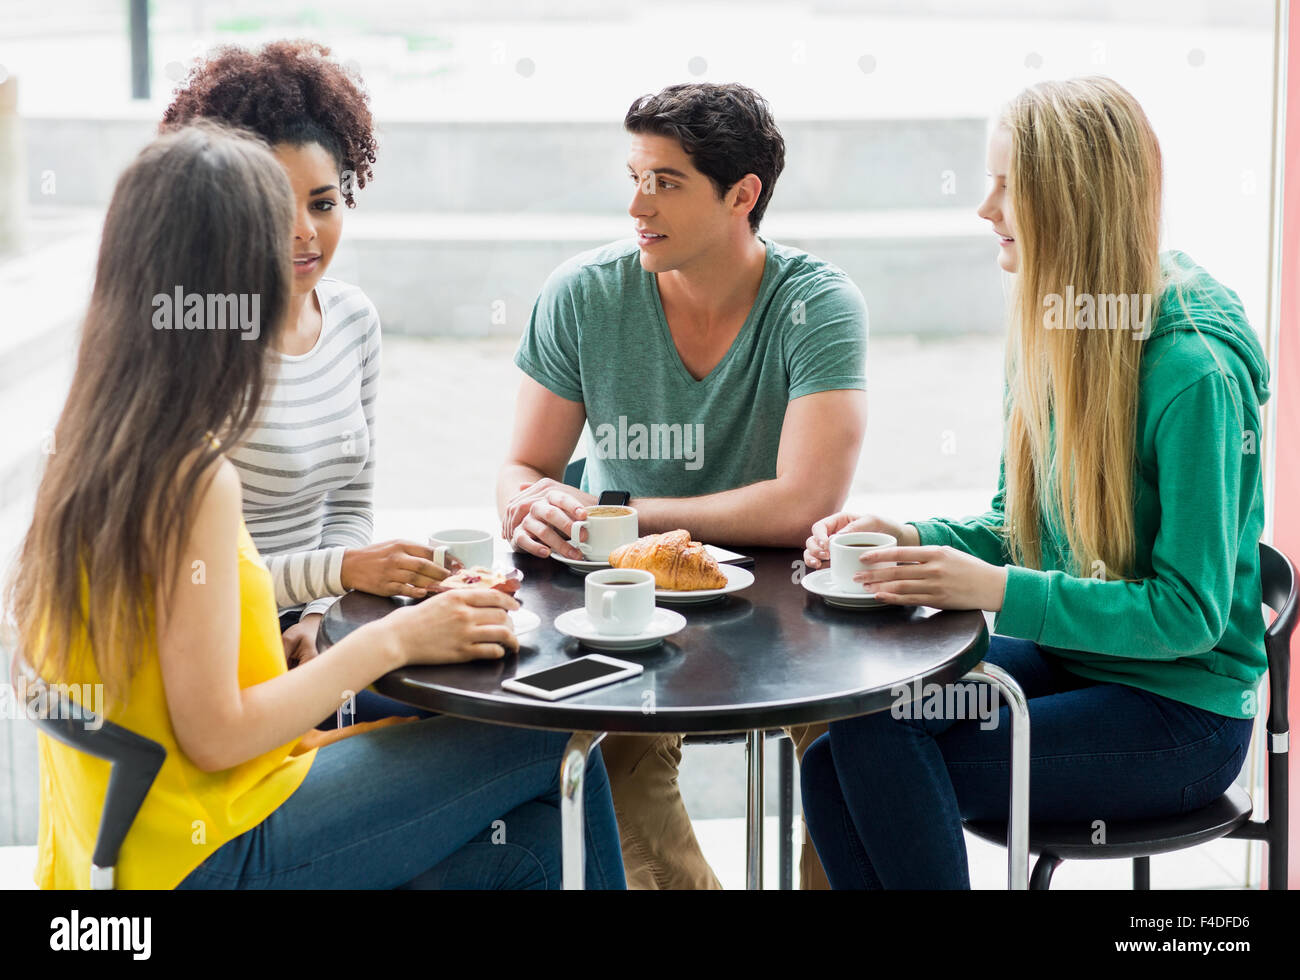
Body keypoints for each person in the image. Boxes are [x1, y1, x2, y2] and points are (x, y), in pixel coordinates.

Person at [10, 122, 624, 890]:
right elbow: (215, 736)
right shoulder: (192, 478)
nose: (298, 253)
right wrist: (394, 638)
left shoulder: (90, 442)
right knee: (549, 735)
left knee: (533, 846)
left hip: (137, 844)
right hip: (210, 854)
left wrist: (333, 636)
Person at [799, 76, 1270, 888]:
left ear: (1073, 200)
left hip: (1182, 715)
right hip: (1080, 661)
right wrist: (911, 539)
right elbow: (1018, 525)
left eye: (1007, 186)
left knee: (879, 761)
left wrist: (994, 589)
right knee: (844, 747)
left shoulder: (1195, 375)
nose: (985, 208)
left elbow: (1189, 616)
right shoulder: (1055, 329)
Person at [497, 82, 868, 889]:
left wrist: (620, 513)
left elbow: (805, 504)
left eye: (665, 182)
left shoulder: (817, 305)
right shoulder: (584, 293)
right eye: (635, 177)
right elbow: (523, 469)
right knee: (611, 754)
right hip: (625, 600)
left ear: (742, 195)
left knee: (861, 748)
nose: (637, 204)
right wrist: (531, 507)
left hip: (785, 599)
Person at [161, 42, 448, 711]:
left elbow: (349, 505)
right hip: (225, 649)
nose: (303, 233)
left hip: (319, 624)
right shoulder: (196, 341)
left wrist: (322, 613)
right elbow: (189, 576)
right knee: (517, 736)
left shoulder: (352, 320)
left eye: (322, 203)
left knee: (518, 696)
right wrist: (341, 572)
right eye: (272, 206)